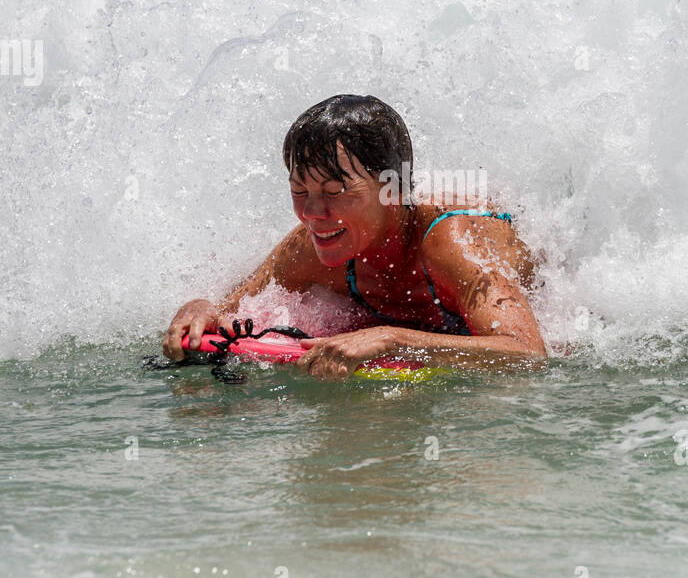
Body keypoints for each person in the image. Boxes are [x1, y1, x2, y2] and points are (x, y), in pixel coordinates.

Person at [163, 94, 546, 379]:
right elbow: (231, 306)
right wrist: (201, 308)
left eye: (334, 192)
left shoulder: (451, 243)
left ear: (392, 191)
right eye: (300, 191)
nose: (312, 213)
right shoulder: (311, 246)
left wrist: (395, 340)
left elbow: (527, 352)